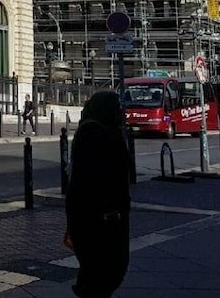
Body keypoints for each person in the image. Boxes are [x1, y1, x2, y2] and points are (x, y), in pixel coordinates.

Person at [66, 91, 131, 297]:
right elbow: (93, 179)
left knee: (103, 273)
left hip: (103, 217)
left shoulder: (107, 130)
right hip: (99, 219)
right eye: (116, 107)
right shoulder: (93, 133)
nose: (120, 112)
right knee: (103, 272)